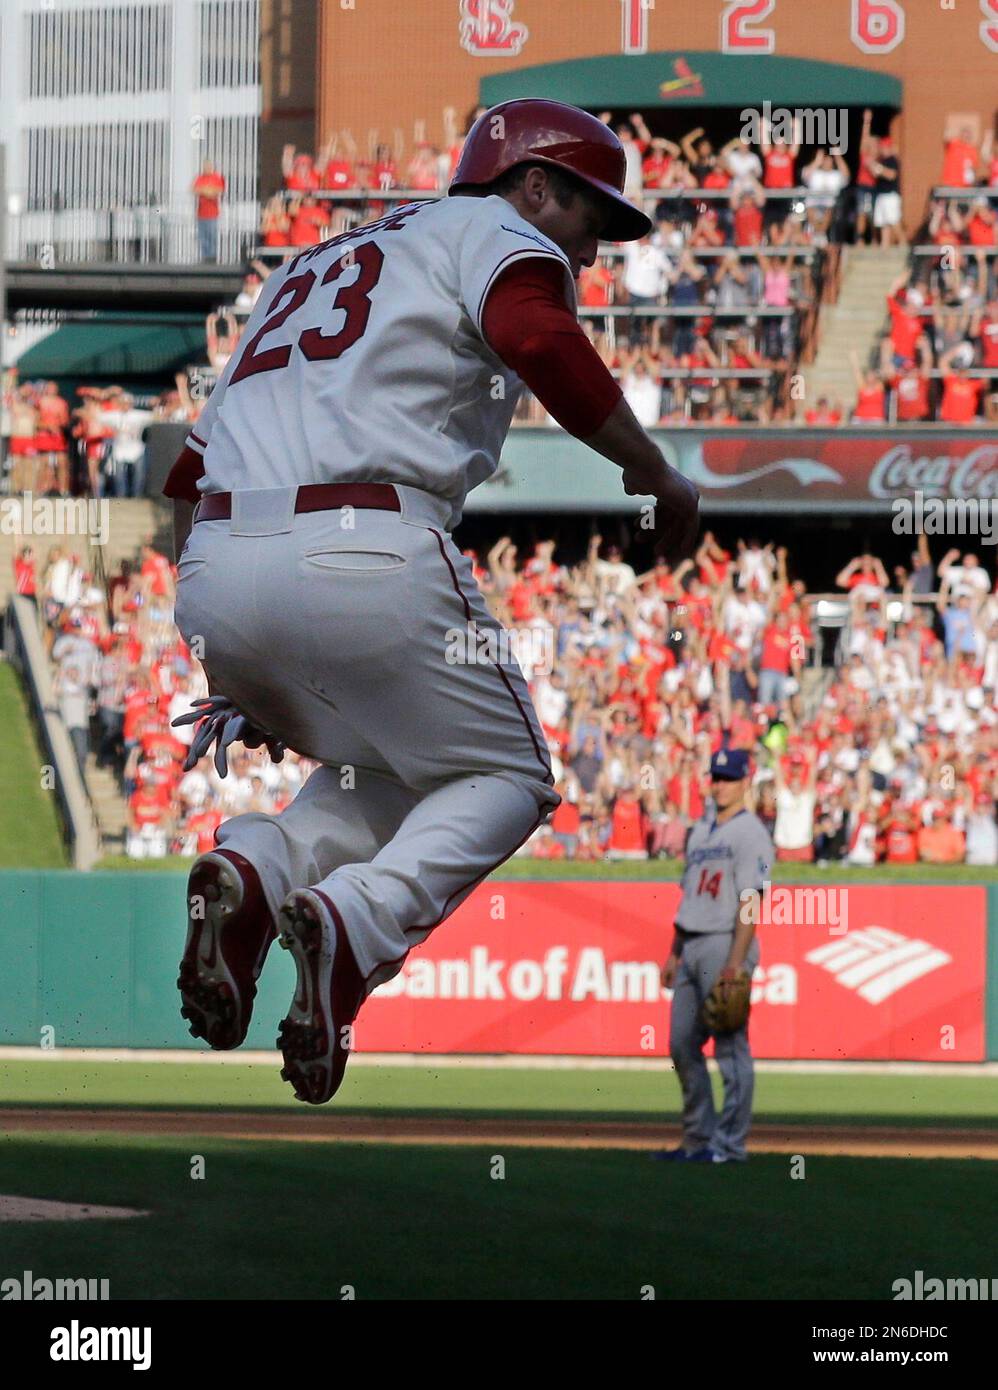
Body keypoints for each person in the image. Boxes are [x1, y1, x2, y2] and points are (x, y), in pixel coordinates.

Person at [163, 98, 700, 1105]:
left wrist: (231, 648)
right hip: (366, 543)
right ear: (534, 184)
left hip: (221, 564)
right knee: (508, 772)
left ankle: (262, 863)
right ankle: (355, 928)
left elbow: (187, 473)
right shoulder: (495, 227)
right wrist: (653, 471)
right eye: (590, 213)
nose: (591, 246)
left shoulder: (307, 264)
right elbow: (537, 337)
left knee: (393, 765)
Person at [654, 748, 773, 1164]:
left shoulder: (751, 833)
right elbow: (687, 897)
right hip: (691, 942)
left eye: (728, 777)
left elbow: (751, 900)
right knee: (681, 1044)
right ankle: (697, 1139)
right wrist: (673, 952)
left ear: (745, 782)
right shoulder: (701, 829)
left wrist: (735, 962)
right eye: (716, 777)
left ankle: (730, 1145)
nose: (720, 784)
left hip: (726, 941)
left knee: (730, 1047)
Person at [192, 160, 226, 264]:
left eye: (207, 166)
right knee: (203, 237)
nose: (206, 168)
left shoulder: (217, 177)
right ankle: (205, 257)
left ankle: (212, 257)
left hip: (212, 214)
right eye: (204, 166)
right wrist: (207, 191)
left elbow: (218, 191)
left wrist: (204, 190)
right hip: (201, 213)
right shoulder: (200, 177)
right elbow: (193, 189)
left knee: (212, 236)